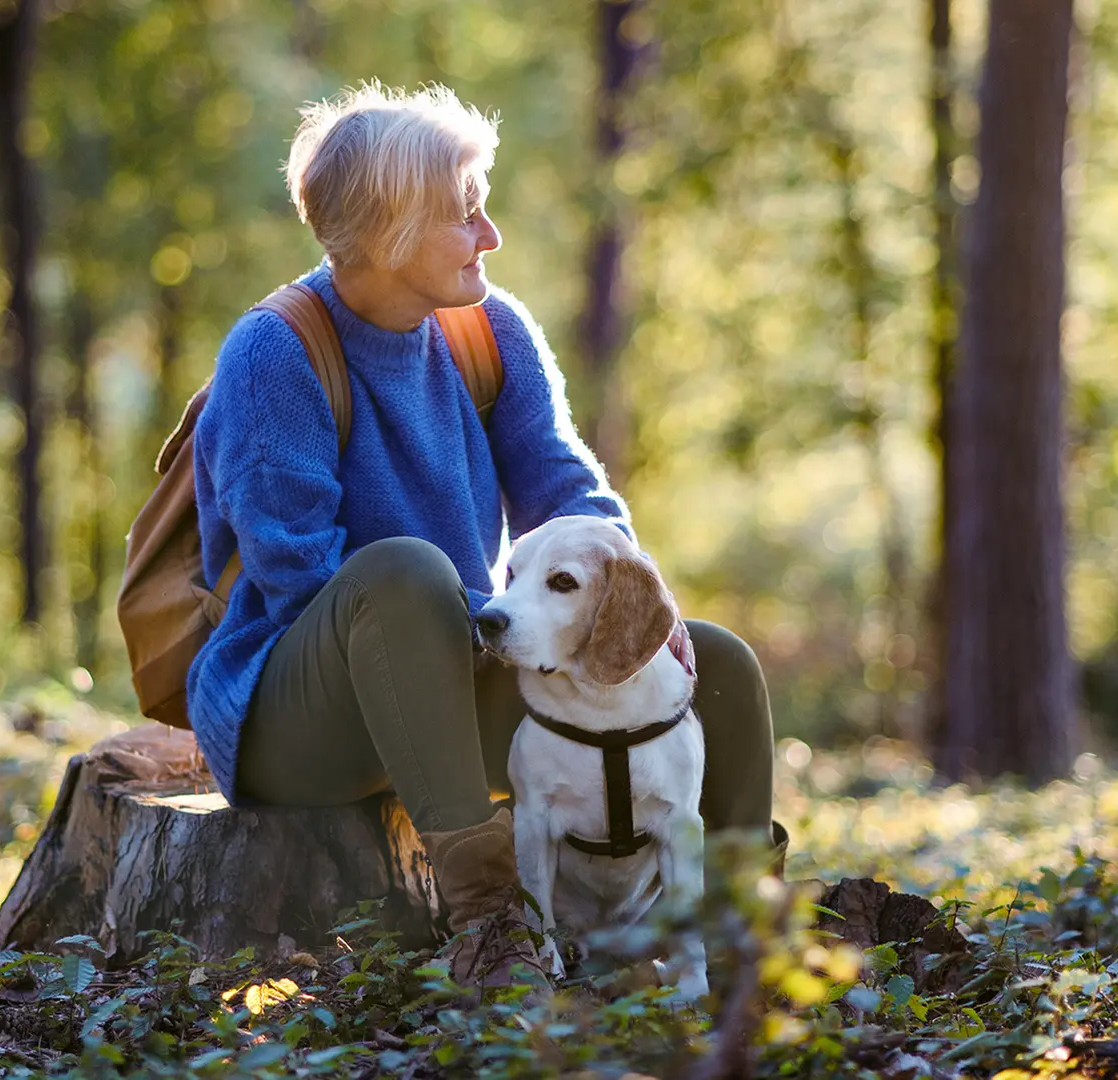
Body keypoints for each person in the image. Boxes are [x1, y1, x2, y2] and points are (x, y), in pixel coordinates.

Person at [187, 83, 777, 988]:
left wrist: (633, 608)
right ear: (388, 229)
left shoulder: (491, 331)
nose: (490, 235)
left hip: (462, 667)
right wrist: (495, 619)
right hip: (303, 716)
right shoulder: (276, 353)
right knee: (403, 575)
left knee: (718, 662)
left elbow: (572, 495)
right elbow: (299, 573)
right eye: (466, 214)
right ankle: (491, 926)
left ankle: (734, 936)